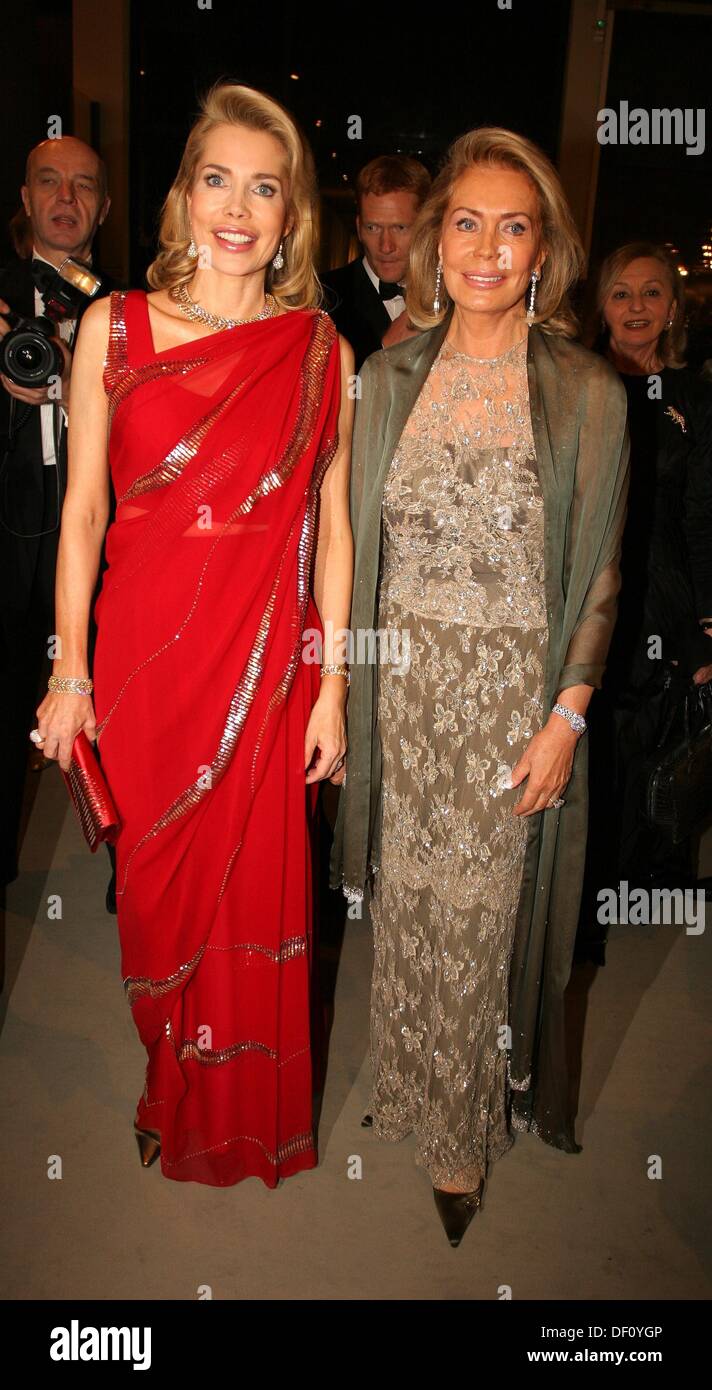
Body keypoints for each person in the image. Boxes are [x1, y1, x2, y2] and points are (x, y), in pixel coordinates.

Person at [34, 82, 354, 1187]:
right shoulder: (111, 326)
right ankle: (164, 1058)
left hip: (267, 668)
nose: (238, 206)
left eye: (264, 187)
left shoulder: (318, 350)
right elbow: (81, 513)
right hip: (141, 666)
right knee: (157, 896)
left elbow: (334, 530)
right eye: (216, 177)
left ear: (290, 216)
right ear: (182, 195)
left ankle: (198, 1102)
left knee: (247, 893)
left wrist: (332, 688)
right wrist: (67, 670)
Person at [329, 127, 630, 1245]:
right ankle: (408, 1082)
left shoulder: (588, 392)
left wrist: (565, 717)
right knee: (406, 911)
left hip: (510, 702)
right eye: (467, 223)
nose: (488, 248)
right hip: (405, 696)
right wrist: (344, 693)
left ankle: (461, 1137)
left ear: (543, 249)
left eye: (515, 227)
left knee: (484, 922)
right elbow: (356, 549)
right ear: (432, 242)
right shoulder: (388, 374)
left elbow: (598, 575)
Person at [576, 242, 712, 962]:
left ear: (673, 308)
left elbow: (702, 515)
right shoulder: (575, 380)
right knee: (582, 749)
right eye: (621, 293)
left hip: (660, 602)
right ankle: (575, 907)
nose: (635, 307)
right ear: (600, 304)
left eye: (651, 293)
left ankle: (606, 906)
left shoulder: (698, 398)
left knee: (636, 758)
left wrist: (705, 626)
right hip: (585, 592)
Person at [0, 136, 111, 890]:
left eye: (82, 186)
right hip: (9, 526)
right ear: (28, 199)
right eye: (50, 182)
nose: (66, 198)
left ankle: (127, 860)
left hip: (96, 533)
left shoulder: (129, 307)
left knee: (114, 694)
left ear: (102, 206)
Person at [320, 155, 430, 371]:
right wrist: (383, 351)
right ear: (359, 227)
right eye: (373, 228)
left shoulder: (451, 298)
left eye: (400, 228)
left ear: (425, 227)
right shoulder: (321, 299)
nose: (386, 246)